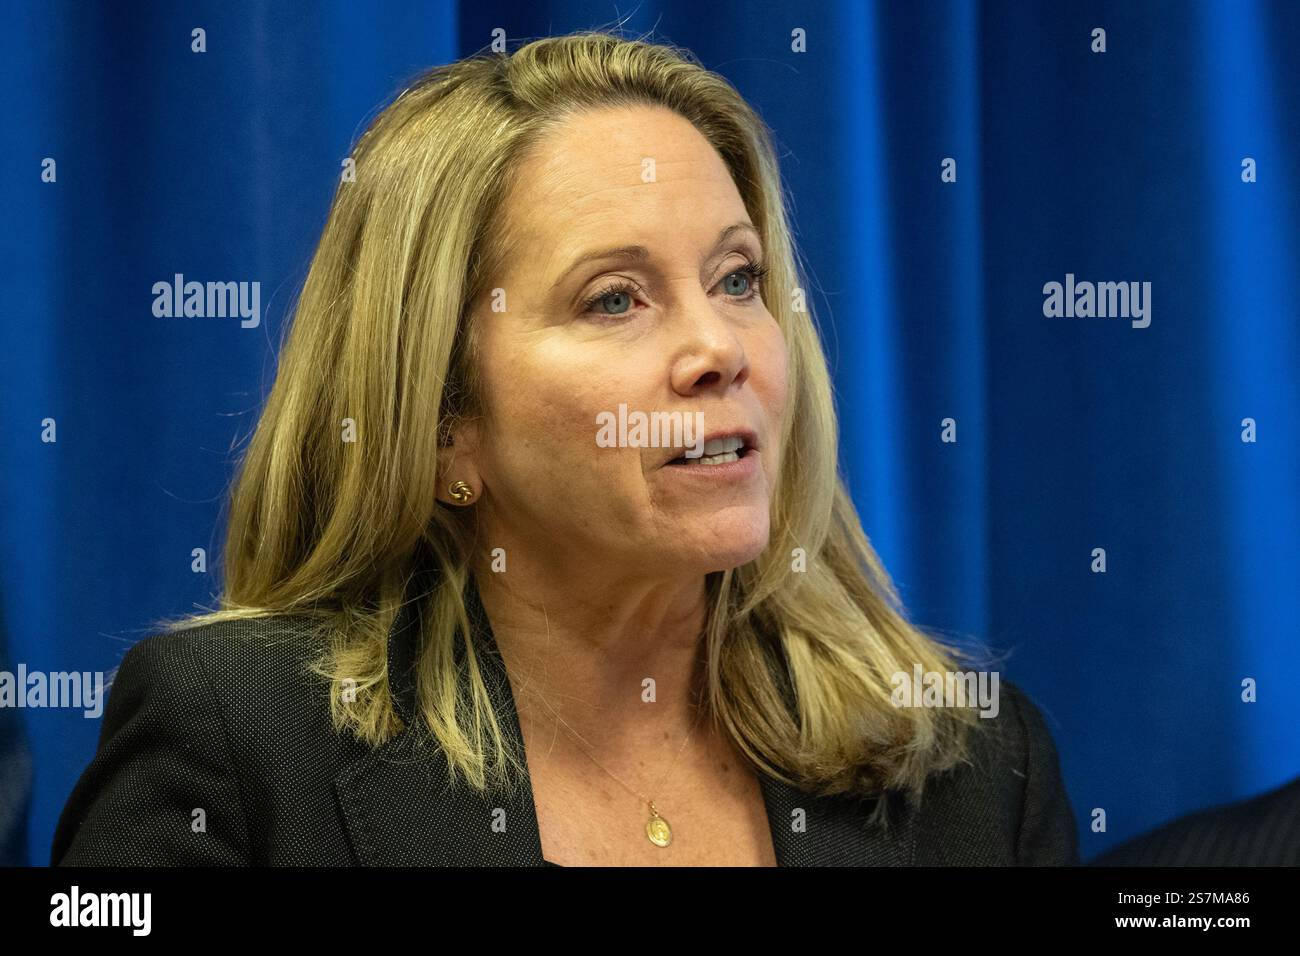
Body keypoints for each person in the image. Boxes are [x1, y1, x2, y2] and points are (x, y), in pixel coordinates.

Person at [51, 30, 1078, 867]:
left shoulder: (973, 767)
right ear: (445, 424)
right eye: (615, 299)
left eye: (735, 278)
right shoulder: (238, 743)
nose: (719, 348)